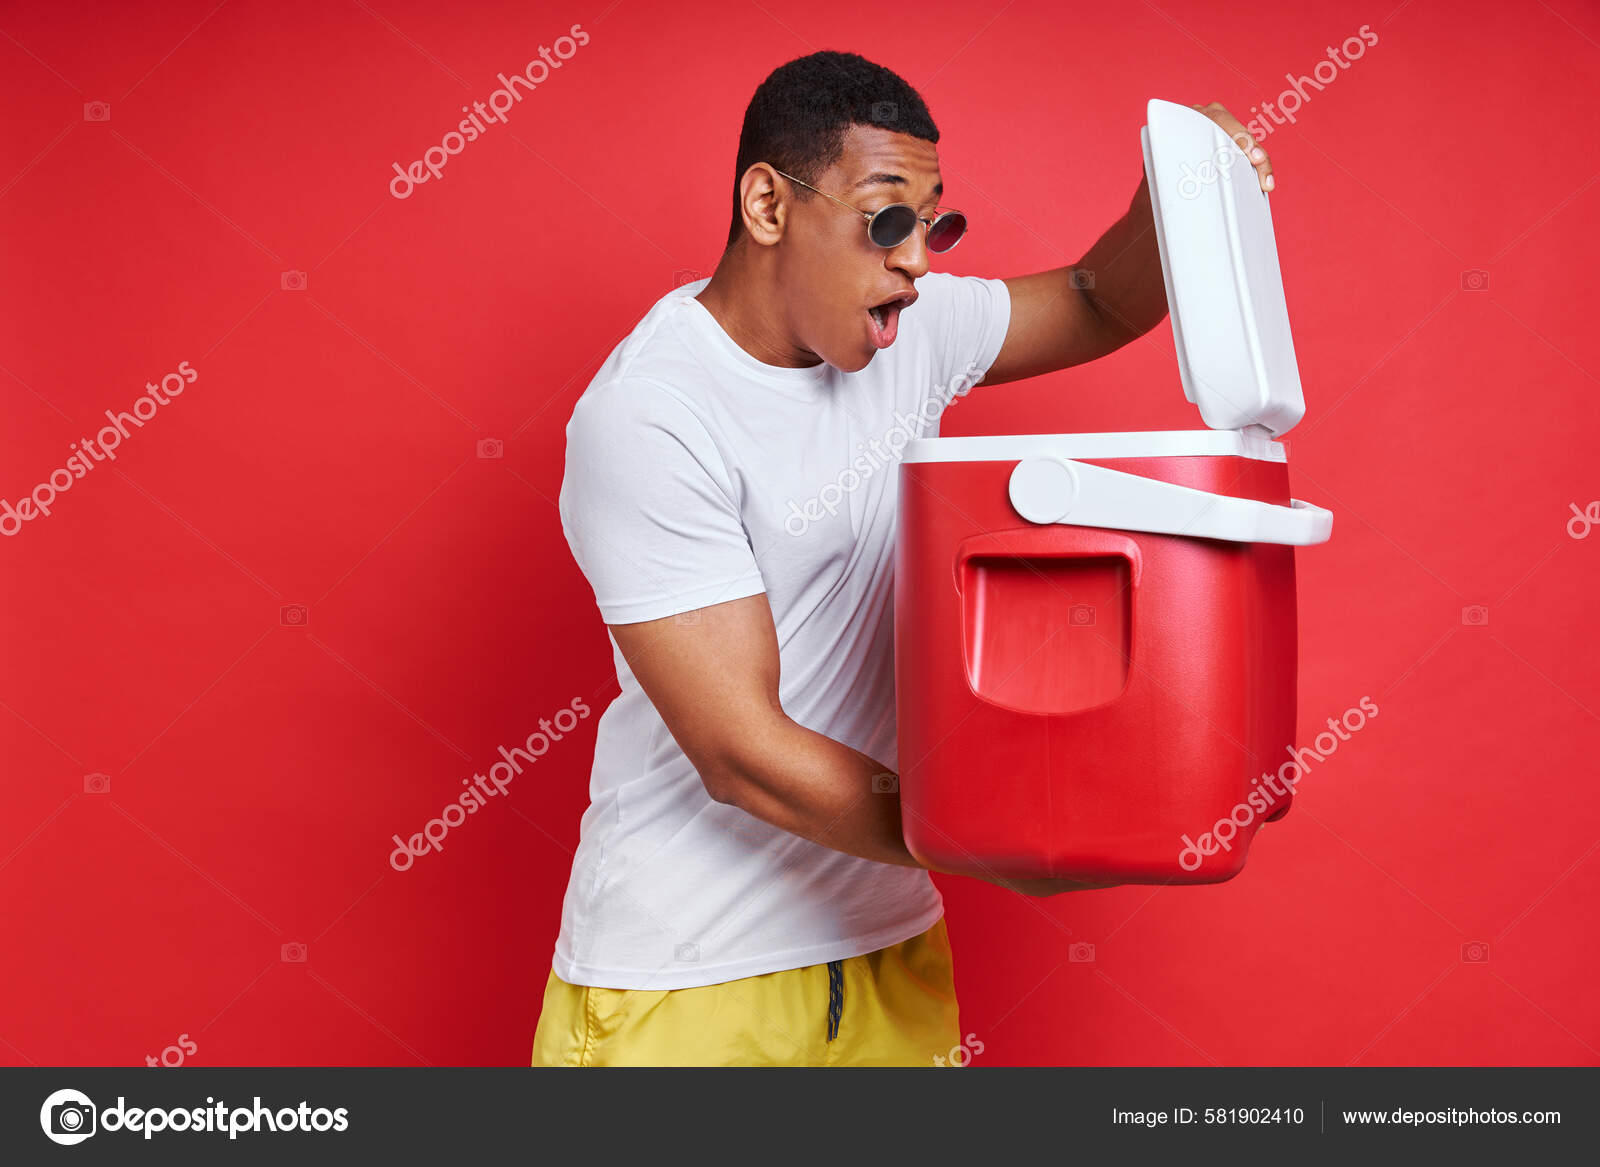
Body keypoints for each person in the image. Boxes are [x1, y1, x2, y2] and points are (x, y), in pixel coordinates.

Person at [531, 50, 1273, 1067]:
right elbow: (741, 752)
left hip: (887, 948)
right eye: (887, 221)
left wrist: (1178, 193)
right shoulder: (650, 415)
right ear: (766, 205)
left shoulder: (903, 337)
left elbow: (1100, 298)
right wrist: (992, 833)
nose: (918, 261)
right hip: (687, 980)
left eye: (933, 224)